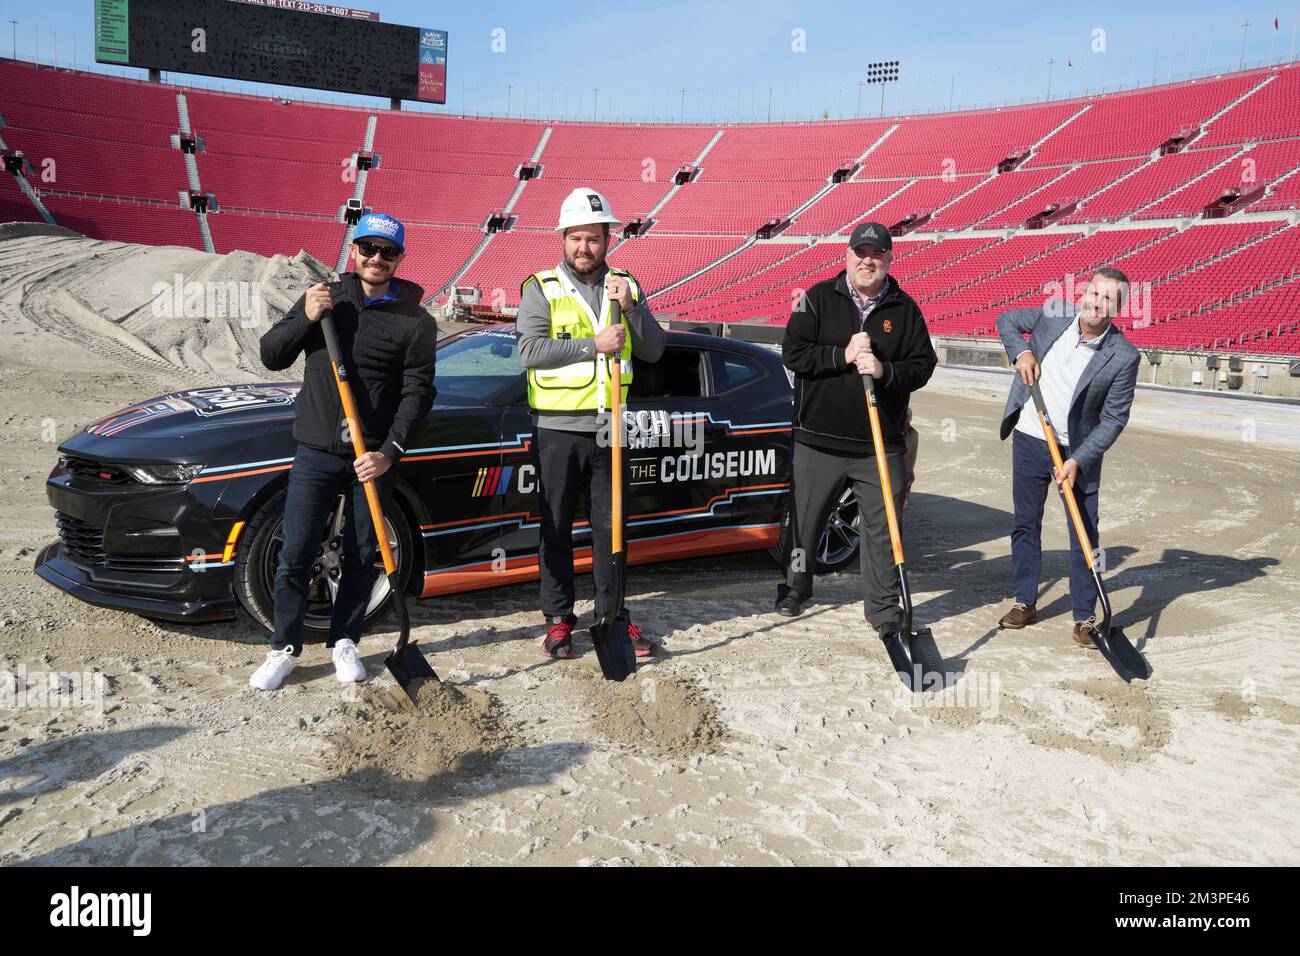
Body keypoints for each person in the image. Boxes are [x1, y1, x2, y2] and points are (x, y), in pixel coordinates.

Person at [250, 213, 438, 690]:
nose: (376, 259)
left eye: (388, 252)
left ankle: (345, 641)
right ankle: (284, 648)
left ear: (399, 258)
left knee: (360, 551)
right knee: (295, 550)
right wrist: (306, 318)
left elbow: (418, 394)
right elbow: (271, 355)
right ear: (353, 251)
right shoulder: (325, 300)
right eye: (368, 249)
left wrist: (389, 452)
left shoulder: (416, 321)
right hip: (315, 449)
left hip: (371, 457)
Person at [516, 187, 666, 660]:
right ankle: (558, 620)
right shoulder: (541, 287)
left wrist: (635, 307)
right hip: (558, 428)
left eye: (594, 238)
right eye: (576, 237)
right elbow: (529, 352)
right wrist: (592, 345)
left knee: (610, 528)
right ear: (563, 238)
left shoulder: (627, 283)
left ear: (609, 239)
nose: (585, 247)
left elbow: (654, 350)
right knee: (555, 527)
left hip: (610, 428)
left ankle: (613, 616)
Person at [778, 220, 937, 642]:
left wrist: (885, 371)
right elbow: (793, 353)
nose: (868, 261)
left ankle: (884, 609)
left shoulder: (905, 309)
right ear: (847, 256)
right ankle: (796, 586)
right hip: (818, 438)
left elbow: (923, 366)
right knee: (805, 522)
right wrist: (840, 355)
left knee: (883, 530)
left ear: (888, 259)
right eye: (860, 253)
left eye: (877, 254)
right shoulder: (815, 298)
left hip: (880, 446)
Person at [994, 268, 1141, 647]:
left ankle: (1084, 618)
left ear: (1119, 307)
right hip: (1030, 436)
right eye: (1094, 292)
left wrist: (1080, 459)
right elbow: (1006, 319)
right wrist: (1022, 351)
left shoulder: (1123, 356)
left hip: (1076, 452)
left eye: (1108, 298)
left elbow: (1113, 419)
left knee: (1083, 532)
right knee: (1026, 522)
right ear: (1084, 293)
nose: (1097, 302)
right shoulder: (1054, 314)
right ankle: (1025, 601)